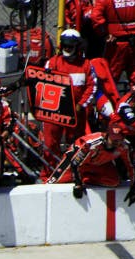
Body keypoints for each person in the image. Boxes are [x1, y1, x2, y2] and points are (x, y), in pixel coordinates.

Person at [40, 29, 97, 180]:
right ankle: (49, 174)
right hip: (55, 112)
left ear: (77, 46)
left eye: (70, 45)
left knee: (77, 144)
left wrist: (81, 105)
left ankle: (75, 173)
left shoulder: (86, 65)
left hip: (76, 113)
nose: (67, 48)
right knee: (50, 144)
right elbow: (42, 84)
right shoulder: (52, 62)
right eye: (64, 45)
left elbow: (92, 87)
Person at [47, 118, 135, 206]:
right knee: (51, 184)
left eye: (119, 140)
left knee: (114, 182)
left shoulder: (125, 146)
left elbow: (132, 166)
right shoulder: (91, 144)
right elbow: (75, 163)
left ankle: (85, 178)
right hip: (75, 160)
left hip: (98, 164)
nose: (116, 142)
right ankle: (79, 178)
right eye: (113, 139)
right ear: (107, 135)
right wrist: (78, 185)